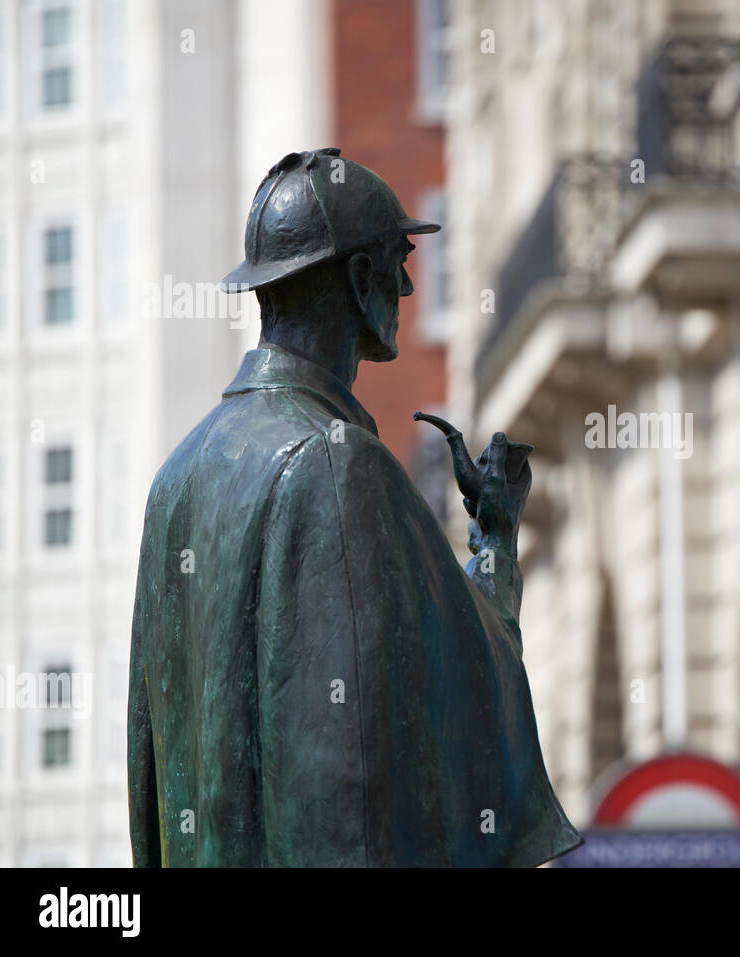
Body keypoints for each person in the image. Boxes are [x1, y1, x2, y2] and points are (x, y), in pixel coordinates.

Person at [127, 148, 581, 866]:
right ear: (361, 278)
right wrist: (495, 543)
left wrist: (493, 536)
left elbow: (147, 772)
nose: (406, 282)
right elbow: (350, 778)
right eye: (396, 261)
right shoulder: (341, 465)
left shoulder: (173, 482)